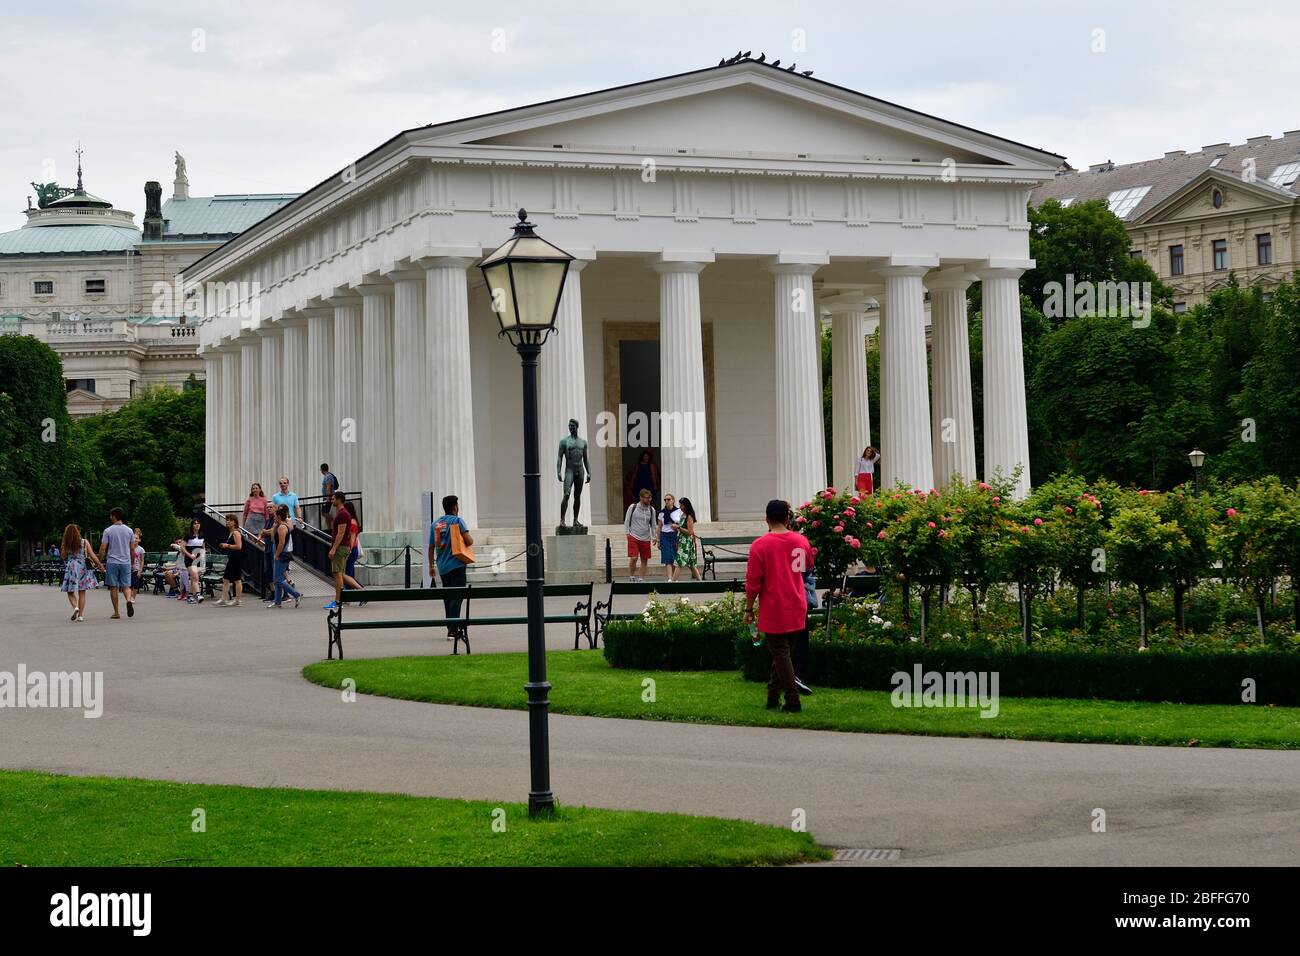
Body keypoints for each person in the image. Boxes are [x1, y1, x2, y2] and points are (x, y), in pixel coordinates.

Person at [744, 499, 814, 713]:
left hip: (774, 605)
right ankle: (772, 697)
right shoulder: (801, 541)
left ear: (766, 519)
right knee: (782, 653)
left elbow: (753, 581)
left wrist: (748, 609)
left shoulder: (760, 545)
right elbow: (806, 568)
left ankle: (793, 700)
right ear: (787, 518)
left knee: (780, 653)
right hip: (797, 602)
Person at [430, 495, 473, 642]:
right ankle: (453, 629)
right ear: (454, 507)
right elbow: (469, 540)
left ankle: (450, 627)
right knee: (457, 596)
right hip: (457, 564)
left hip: (443, 567)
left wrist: (431, 566)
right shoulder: (458, 521)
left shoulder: (435, 524)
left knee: (447, 597)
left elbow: (430, 547)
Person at [324, 491, 362, 610]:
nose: (331, 500)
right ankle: (361, 592)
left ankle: (338, 601)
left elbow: (341, 533)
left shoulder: (342, 514)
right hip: (342, 547)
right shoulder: (343, 514)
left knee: (337, 574)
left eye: (333, 498)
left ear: (340, 499)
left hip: (341, 547)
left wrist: (333, 549)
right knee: (341, 574)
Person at [98, 507, 137, 620]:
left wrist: (99, 560)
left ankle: (116, 612)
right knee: (126, 586)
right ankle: (128, 600)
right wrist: (132, 562)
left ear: (114, 516)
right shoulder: (129, 530)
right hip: (126, 562)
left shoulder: (108, 531)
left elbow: (103, 548)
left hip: (112, 562)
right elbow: (132, 549)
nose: (110, 517)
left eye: (111, 515)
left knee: (113, 587)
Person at [59, 523, 101, 622]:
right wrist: (99, 565)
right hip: (83, 567)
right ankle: (81, 616)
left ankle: (75, 607)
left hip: (72, 567)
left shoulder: (66, 543)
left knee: (70, 591)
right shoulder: (84, 542)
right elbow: (92, 555)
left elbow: (63, 557)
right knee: (82, 592)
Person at [268, 505, 300, 609]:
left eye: (275, 516)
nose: (274, 517)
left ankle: (296, 594)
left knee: (278, 580)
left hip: (282, 554)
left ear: (279, 516)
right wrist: (274, 526)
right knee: (277, 578)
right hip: (279, 553)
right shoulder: (278, 526)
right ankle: (277, 602)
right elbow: (273, 539)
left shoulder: (283, 527)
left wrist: (277, 554)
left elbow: (281, 543)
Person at [624, 487, 657, 581]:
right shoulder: (633, 507)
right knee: (634, 557)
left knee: (644, 559)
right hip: (633, 535)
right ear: (641, 498)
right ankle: (631, 575)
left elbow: (653, 524)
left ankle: (641, 578)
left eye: (650, 498)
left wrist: (654, 537)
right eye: (646, 498)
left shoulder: (651, 510)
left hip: (646, 537)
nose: (648, 500)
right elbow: (627, 521)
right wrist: (627, 533)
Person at [215, 514, 245, 606]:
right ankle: (224, 598)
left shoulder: (236, 532)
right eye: (227, 520)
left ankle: (237, 600)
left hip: (236, 558)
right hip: (231, 558)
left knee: (237, 579)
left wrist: (227, 545)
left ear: (235, 522)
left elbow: (239, 546)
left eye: (230, 520)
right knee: (226, 579)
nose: (228, 522)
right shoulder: (230, 533)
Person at [673, 496, 702, 581]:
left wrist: (678, 527)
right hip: (682, 540)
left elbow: (689, 532)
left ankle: (672, 583)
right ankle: (700, 582)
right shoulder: (682, 515)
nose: (680, 507)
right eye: (680, 505)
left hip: (686, 543)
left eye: (682, 505)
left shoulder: (689, 516)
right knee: (691, 564)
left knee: (679, 562)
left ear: (686, 505)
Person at [657, 493, 682, 582]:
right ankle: (670, 578)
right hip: (665, 535)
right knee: (667, 557)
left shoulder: (678, 511)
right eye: (665, 500)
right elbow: (659, 527)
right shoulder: (661, 512)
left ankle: (675, 578)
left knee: (675, 556)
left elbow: (682, 524)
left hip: (675, 535)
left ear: (673, 501)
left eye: (669, 499)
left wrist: (677, 526)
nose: (667, 501)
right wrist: (658, 540)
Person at [128, 527, 146, 606]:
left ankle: (133, 598)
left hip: (136, 569)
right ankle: (129, 597)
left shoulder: (141, 549)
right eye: (133, 538)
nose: (135, 539)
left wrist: (140, 571)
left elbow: (142, 561)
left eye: (136, 538)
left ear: (139, 540)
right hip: (128, 569)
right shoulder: (128, 548)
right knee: (129, 584)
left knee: (135, 584)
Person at [319, 463, 339, 530]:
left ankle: (334, 522)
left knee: (324, 512)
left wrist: (327, 498)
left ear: (321, 469)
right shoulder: (328, 476)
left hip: (328, 498)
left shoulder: (328, 476)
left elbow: (328, 487)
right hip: (328, 497)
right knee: (325, 512)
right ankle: (329, 527)